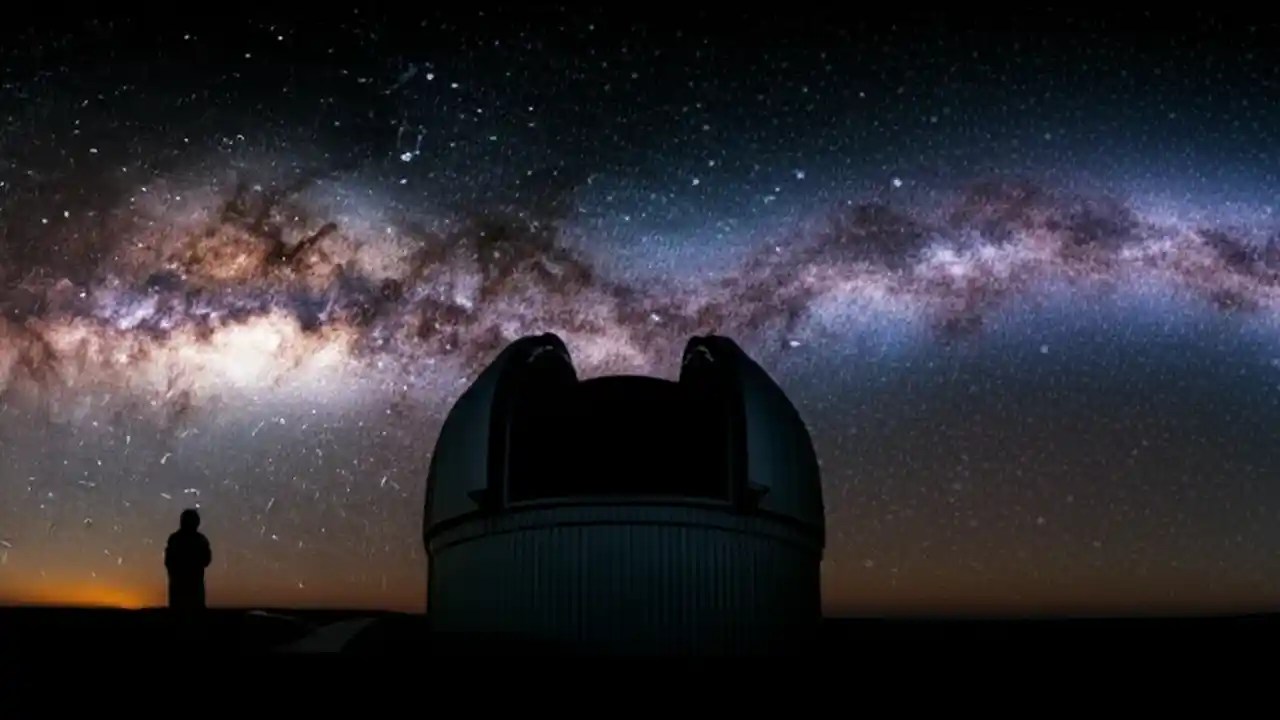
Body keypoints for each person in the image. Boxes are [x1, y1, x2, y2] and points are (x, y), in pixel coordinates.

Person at [164, 509, 212, 611]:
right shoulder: (200, 540)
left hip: (183, 586)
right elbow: (207, 560)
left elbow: (168, 561)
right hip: (187, 586)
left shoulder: (175, 539)